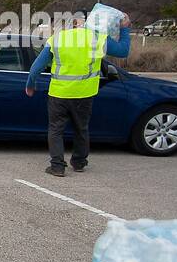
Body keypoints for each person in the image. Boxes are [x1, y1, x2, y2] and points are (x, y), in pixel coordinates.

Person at [25, 11, 131, 177]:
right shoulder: (97, 38)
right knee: (81, 129)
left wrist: (30, 84)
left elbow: (35, 68)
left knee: (55, 130)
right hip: (84, 93)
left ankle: (57, 166)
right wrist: (124, 28)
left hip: (59, 93)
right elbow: (123, 51)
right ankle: (79, 162)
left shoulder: (56, 40)